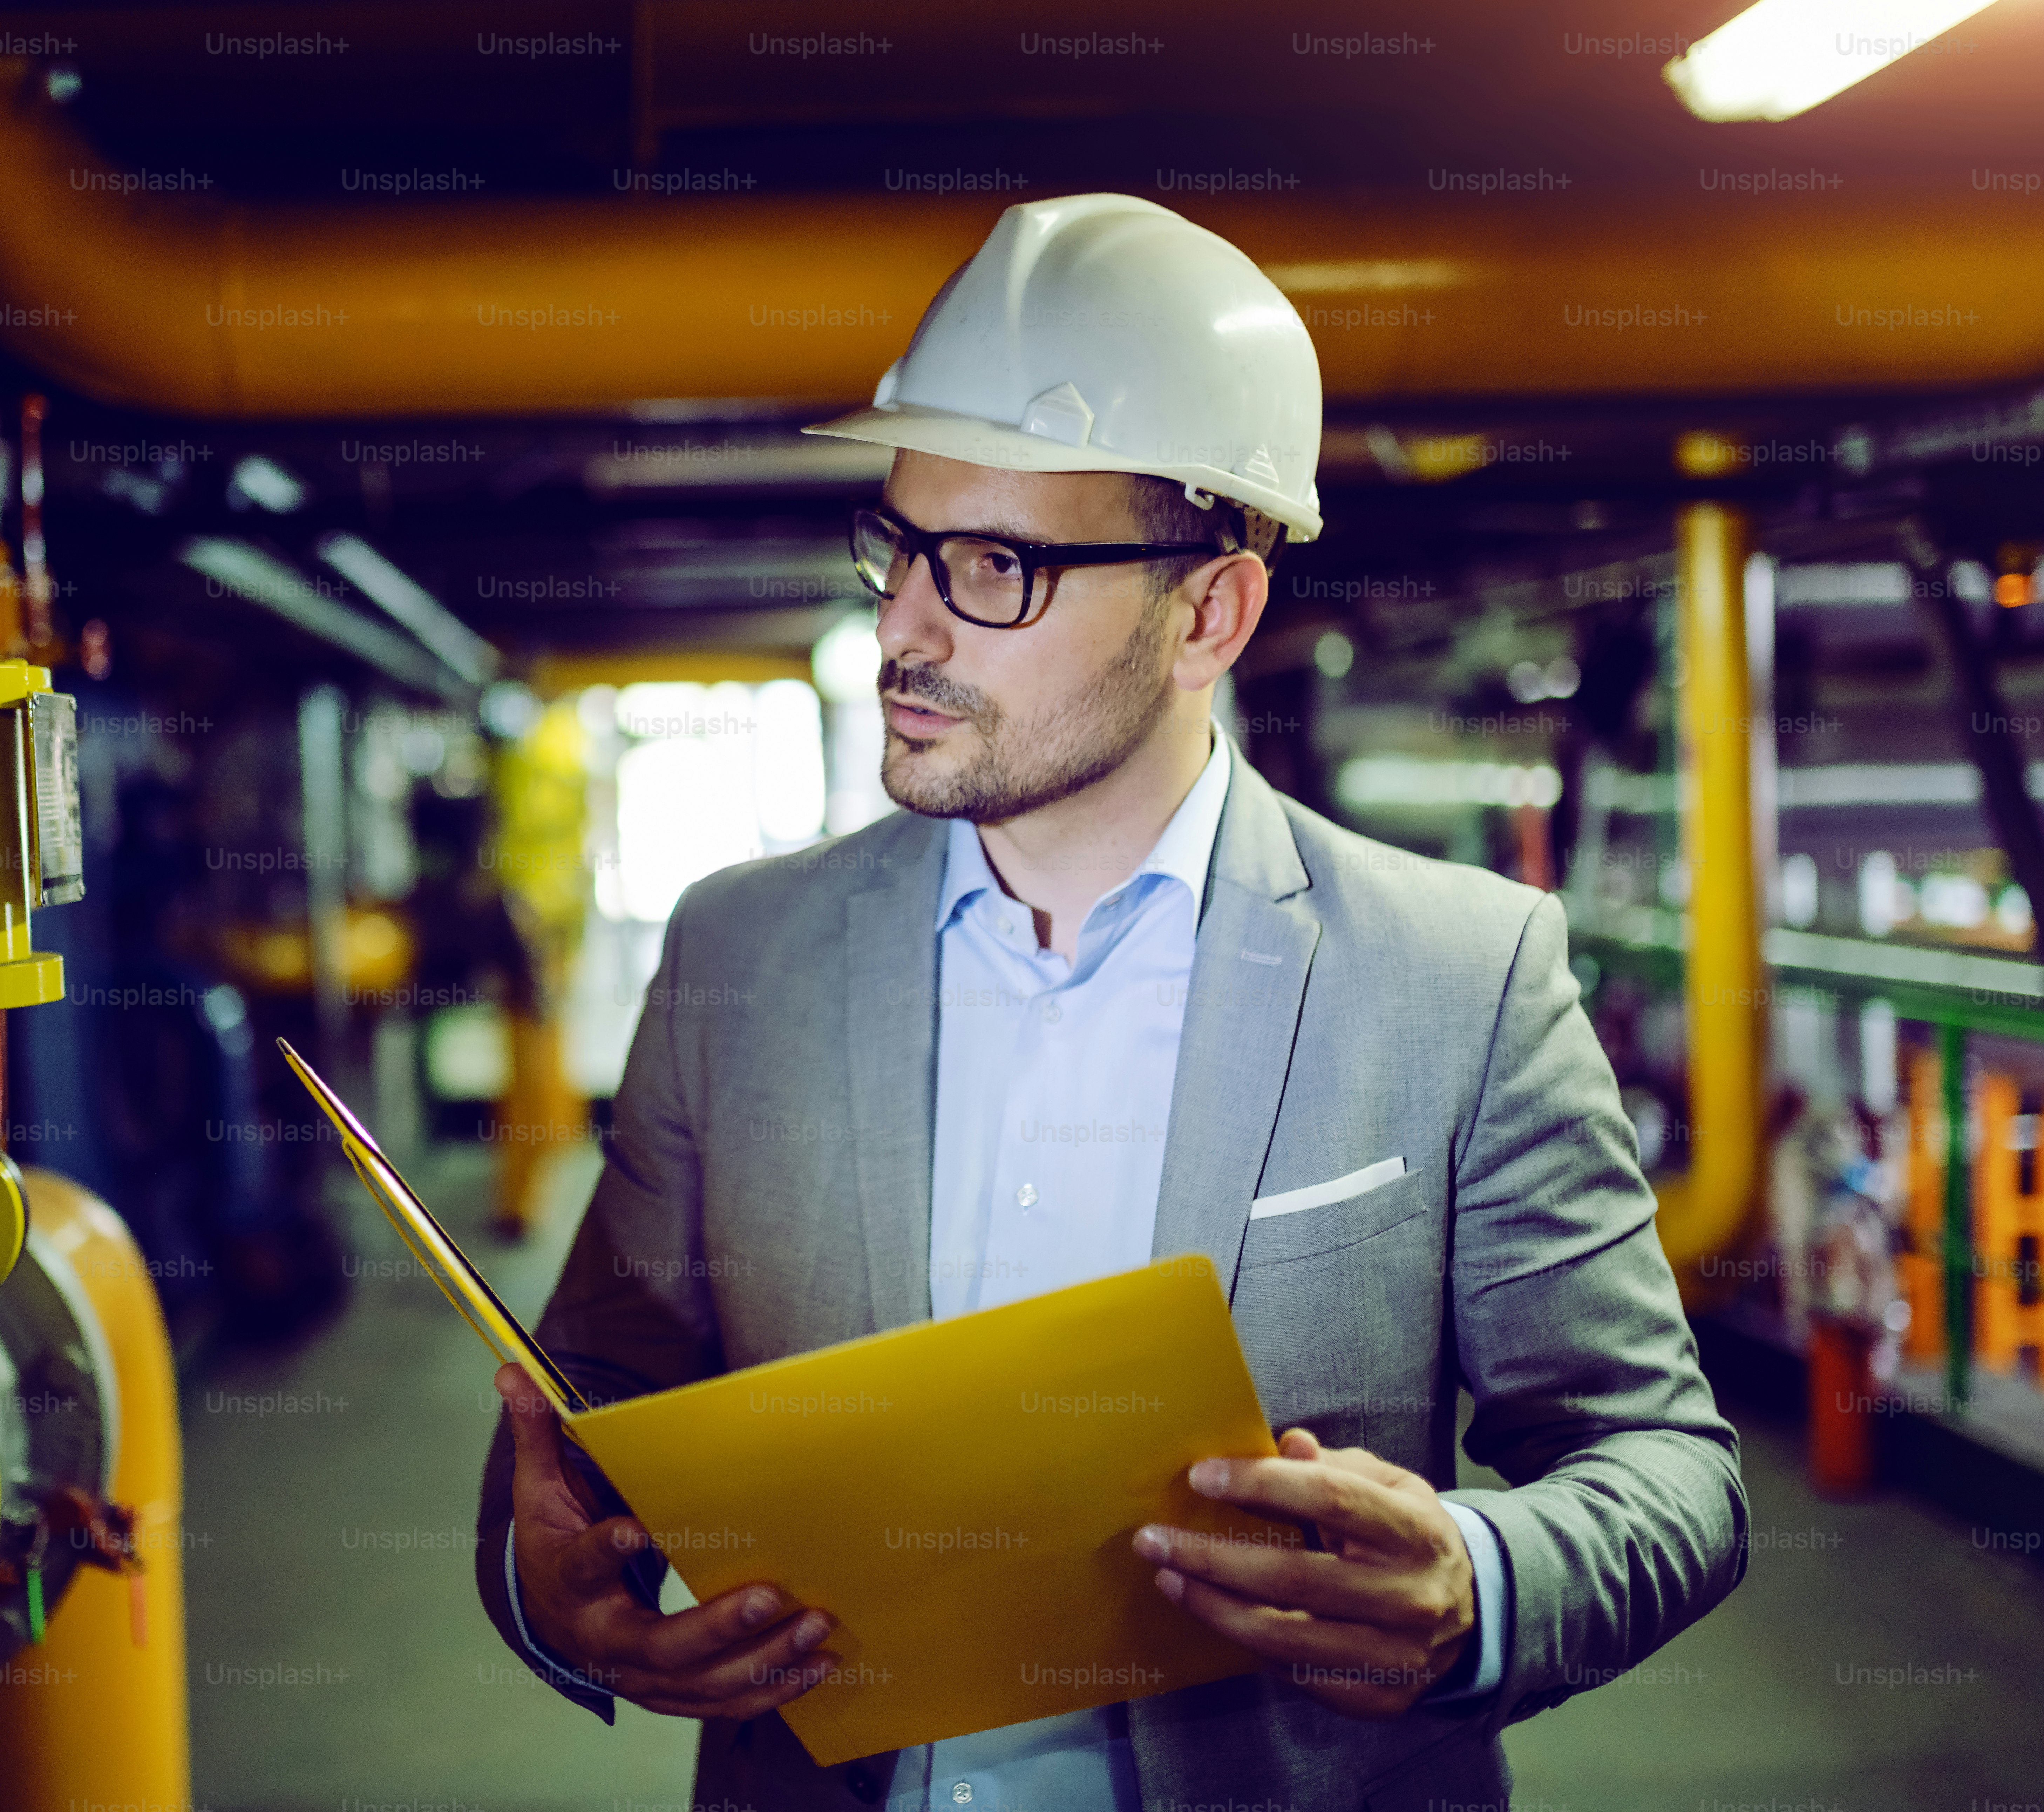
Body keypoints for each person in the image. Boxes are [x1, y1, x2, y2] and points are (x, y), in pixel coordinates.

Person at [474, 194, 1746, 1811]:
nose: (904, 627)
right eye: (903, 544)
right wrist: (554, 1586)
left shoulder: (1458, 973)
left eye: (996, 564)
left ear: (1208, 612)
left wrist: (1476, 1579)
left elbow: (1669, 1471)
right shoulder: (739, 958)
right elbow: (593, 1405)